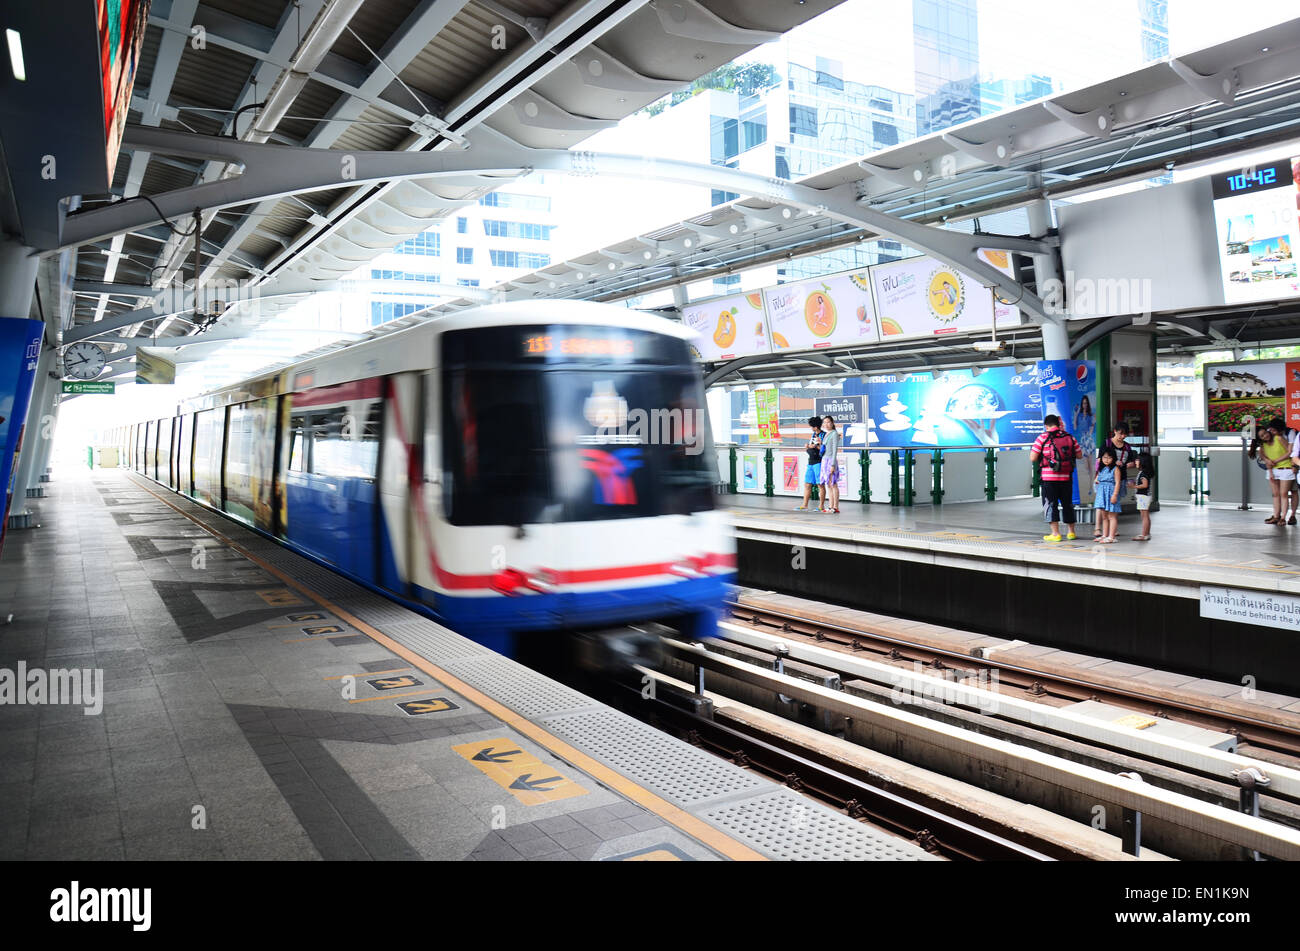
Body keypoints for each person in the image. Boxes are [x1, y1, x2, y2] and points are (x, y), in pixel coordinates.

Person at [1030, 414, 1083, 541]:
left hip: (1049, 478)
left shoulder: (1042, 437)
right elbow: (1079, 455)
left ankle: (1055, 534)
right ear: (1058, 424)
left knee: (1050, 504)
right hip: (1066, 477)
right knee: (1067, 504)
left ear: (1046, 425)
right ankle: (1071, 532)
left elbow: (1033, 458)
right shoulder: (1069, 437)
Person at [1094, 425, 1138, 539]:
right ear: (1115, 431)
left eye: (1125, 434)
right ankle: (1099, 529)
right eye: (1120, 433)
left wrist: (1127, 464)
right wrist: (1097, 476)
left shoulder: (1127, 446)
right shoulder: (1107, 443)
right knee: (1101, 504)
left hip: (1118, 478)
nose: (1122, 436)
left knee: (1114, 505)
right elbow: (1099, 460)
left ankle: (1111, 531)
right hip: (1104, 478)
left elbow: (1132, 462)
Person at [1259, 422, 1294, 524]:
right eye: (1262, 436)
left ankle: (1283, 517)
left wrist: (1275, 461)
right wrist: (1270, 469)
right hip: (1273, 470)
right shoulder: (1263, 445)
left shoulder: (1278, 438)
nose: (1265, 436)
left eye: (1265, 433)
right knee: (1275, 494)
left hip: (1286, 468)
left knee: (1284, 494)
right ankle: (1276, 516)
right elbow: (1263, 456)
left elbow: (1290, 452)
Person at [795, 416, 823, 511]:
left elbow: (823, 448)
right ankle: (805, 505)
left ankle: (821, 506)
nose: (811, 428)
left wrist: (814, 446)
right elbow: (812, 446)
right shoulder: (813, 435)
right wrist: (808, 446)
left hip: (818, 462)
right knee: (807, 484)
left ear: (815, 427)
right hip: (810, 462)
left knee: (820, 484)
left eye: (811, 426)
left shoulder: (823, 435)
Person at [1095, 447, 1122, 543]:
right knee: (1104, 516)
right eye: (1104, 457)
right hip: (1102, 493)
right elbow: (1097, 480)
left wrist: (1115, 495)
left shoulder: (1116, 469)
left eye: (1109, 457)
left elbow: (1118, 483)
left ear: (1113, 458)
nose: (1106, 460)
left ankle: (1111, 537)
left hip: (1111, 493)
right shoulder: (1101, 468)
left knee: (1112, 516)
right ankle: (1105, 535)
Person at [1275, 417, 1299, 525]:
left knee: (1292, 491)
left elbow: (1291, 451)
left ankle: (1292, 515)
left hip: (1291, 467)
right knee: (1281, 493)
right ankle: (1279, 515)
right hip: (1283, 467)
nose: (1272, 432)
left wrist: (1294, 465)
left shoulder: (1291, 433)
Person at [819, 415, 842, 514]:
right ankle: (830, 506)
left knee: (833, 484)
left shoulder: (834, 434)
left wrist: (833, 464)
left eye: (828, 422)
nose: (826, 424)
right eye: (824, 422)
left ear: (832, 423)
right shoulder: (826, 434)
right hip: (824, 460)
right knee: (828, 484)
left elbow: (834, 450)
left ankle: (835, 507)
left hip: (830, 460)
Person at [1132, 451, 1154, 541]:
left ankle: (1144, 534)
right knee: (1145, 515)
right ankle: (1147, 533)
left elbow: (1145, 485)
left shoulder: (1143, 473)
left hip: (1143, 496)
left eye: (1137, 460)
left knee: (1144, 516)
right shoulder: (1145, 472)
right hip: (1144, 496)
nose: (1135, 462)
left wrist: (1134, 486)